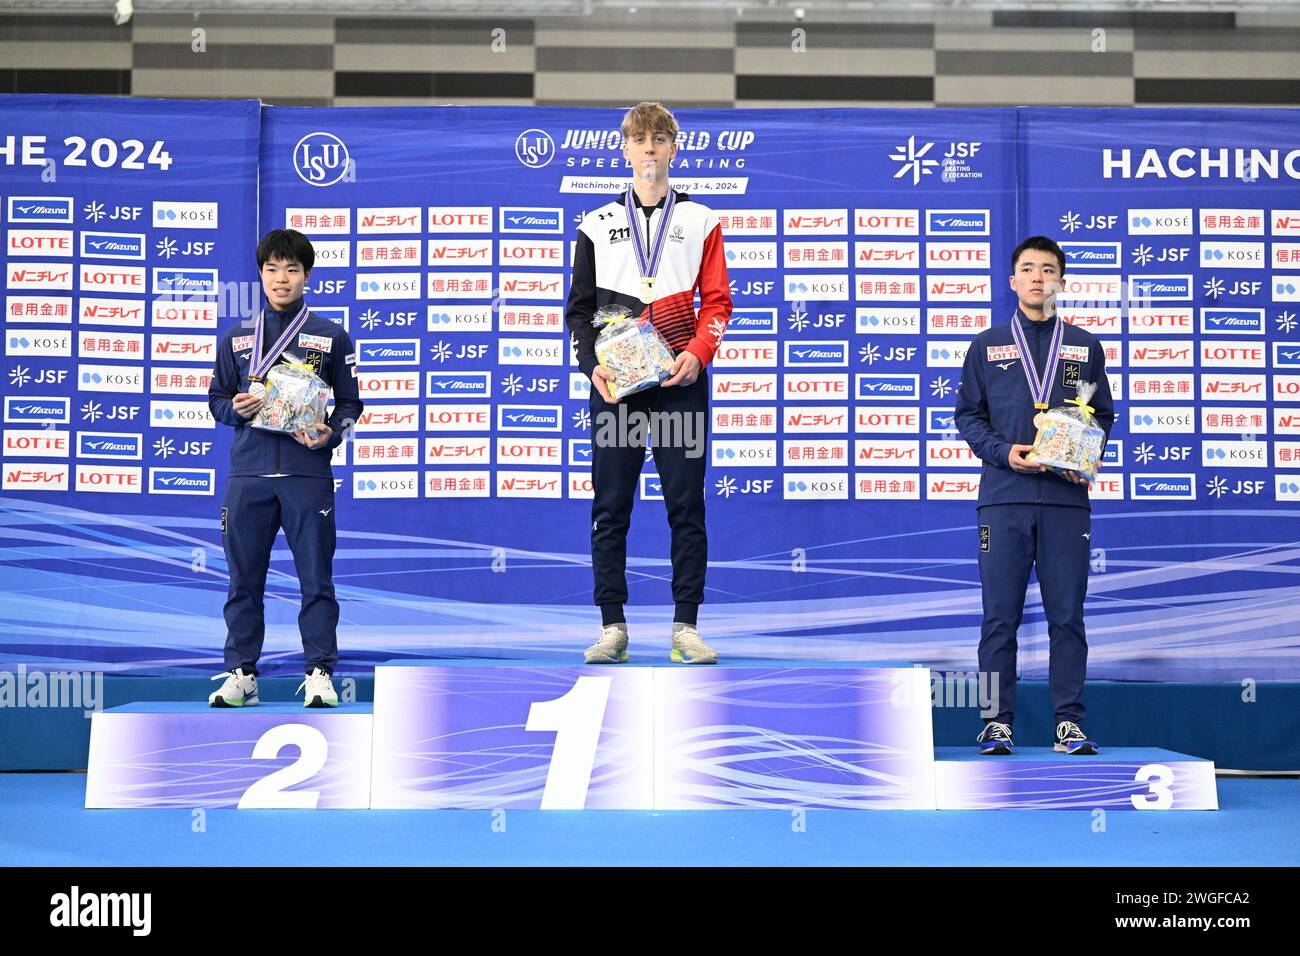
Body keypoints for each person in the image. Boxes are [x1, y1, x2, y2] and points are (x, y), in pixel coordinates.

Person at [564, 101, 732, 664]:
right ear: (626, 149)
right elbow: (578, 313)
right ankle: (612, 625)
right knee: (611, 506)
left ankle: (686, 627)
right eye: (640, 140)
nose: (650, 149)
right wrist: (594, 367)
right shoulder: (595, 224)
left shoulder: (702, 221)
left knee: (686, 505)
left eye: (660, 139)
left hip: (681, 384)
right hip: (618, 392)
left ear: (674, 149)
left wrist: (699, 352)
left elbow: (718, 303)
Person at [954, 235, 1115, 755]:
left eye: (1049, 270)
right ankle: (996, 721)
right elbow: (968, 417)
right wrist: (1005, 454)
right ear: (1013, 280)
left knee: (1067, 615)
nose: (1039, 277)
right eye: (1029, 268)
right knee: (999, 615)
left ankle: (1069, 721)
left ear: (1061, 282)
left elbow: (1101, 416)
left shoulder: (1084, 347)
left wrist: (1082, 457)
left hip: (1066, 502)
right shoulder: (987, 345)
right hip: (1003, 498)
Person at [206, 229, 362, 707]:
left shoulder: (331, 336)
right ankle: (242, 674)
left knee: (316, 579)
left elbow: (352, 405)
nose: (281, 278)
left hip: (306, 474)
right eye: (272, 269)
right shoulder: (236, 338)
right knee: (242, 581)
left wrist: (331, 434)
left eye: (292, 269)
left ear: (307, 276)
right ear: (260, 274)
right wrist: (236, 408)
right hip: (248, 475)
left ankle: (319, 672)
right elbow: (215, 401)